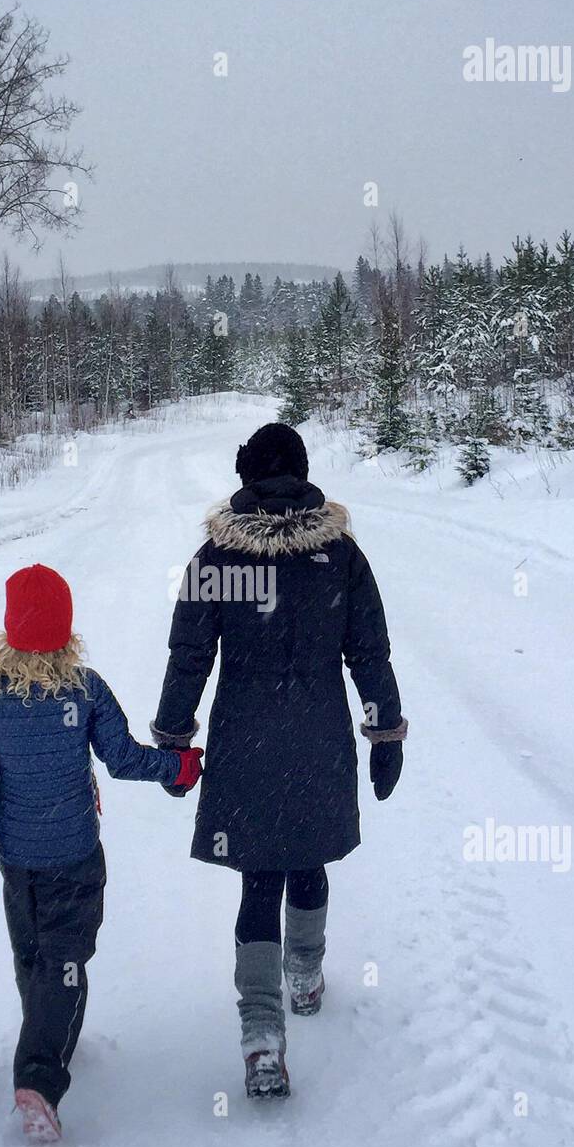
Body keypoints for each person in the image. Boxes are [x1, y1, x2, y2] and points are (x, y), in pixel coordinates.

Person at [152, 423, 406, 1099]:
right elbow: (369, 652)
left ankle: (262, 1038)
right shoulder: (341, 555)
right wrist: (384, 732)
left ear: (245, 479)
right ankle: (305, 976)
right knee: (309, 860)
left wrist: (175, 737)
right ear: (301, 472)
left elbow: (190, 657)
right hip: (319, 735)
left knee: (258, 881)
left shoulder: (217, 558)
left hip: (246, 740)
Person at [0, 563, 202, 1142]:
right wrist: (180, 767)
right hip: (74, 854)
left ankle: (43, 1030)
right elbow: (124, 759)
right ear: (67, 630)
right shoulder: (84, 689)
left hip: (18, 857)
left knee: (34, 952)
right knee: (66, 956)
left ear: (9, 629)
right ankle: (39, 1075)